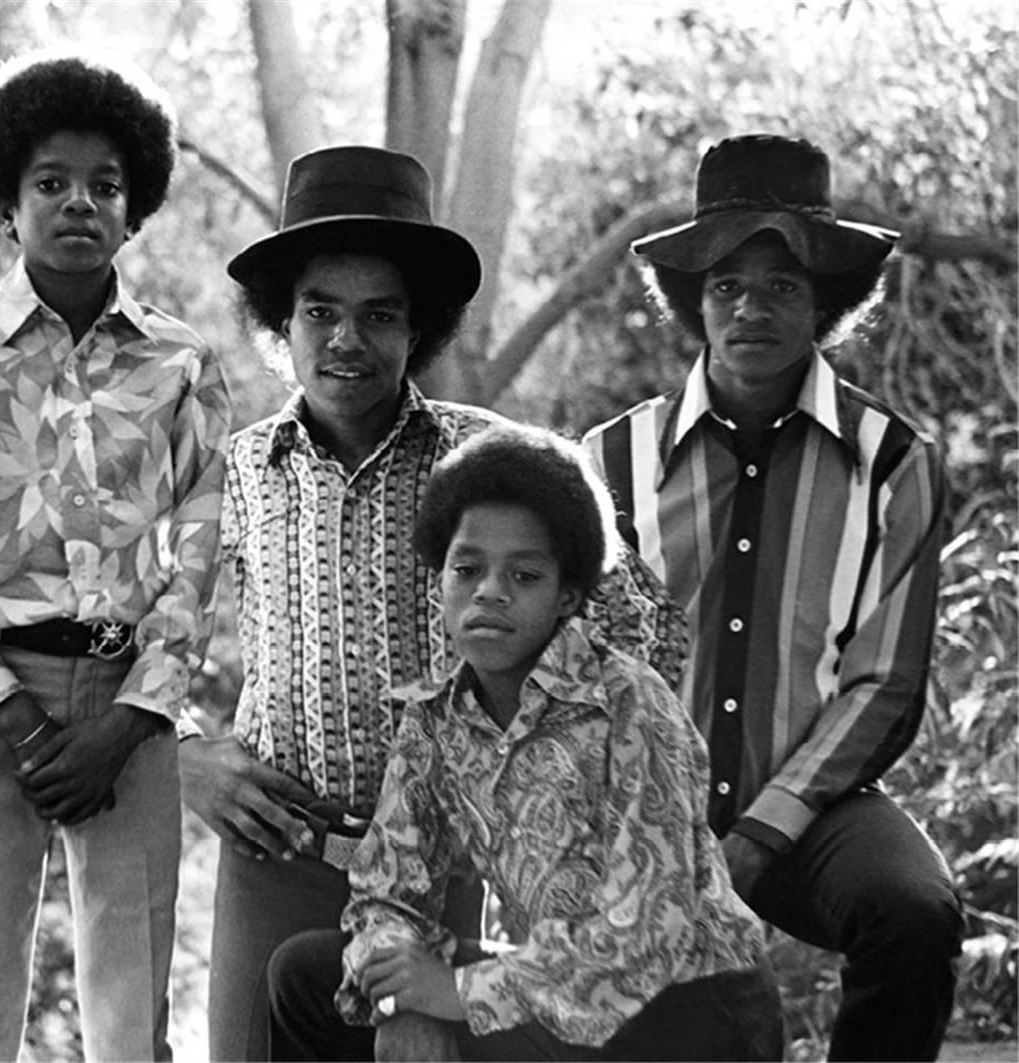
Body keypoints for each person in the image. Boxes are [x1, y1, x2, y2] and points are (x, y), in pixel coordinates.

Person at [181, 144, 688, 1062]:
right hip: (278, 848)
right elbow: (146, 622)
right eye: (320, 312)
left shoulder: (489, 457)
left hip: (443, 865)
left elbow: (635, 621)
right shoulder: (241, 468)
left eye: (380, 315)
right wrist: (187, 750)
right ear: (281, 323)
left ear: (419, 329)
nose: (346, 340)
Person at [582, 133, 962, 1061]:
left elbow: (887, 681)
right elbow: (580, 666)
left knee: (915, 911)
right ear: (694, 300)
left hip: (814, 809)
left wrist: (763, 824)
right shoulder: (610, 461)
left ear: (825, 302)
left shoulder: (896, 463)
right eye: (727, 285)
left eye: (783, 284)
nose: (752, 306)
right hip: (644, 807)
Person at [0, 49, 231, 1062]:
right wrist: (23, 725)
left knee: (133, 1014)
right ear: (5, 201)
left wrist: (131, 719)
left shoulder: (182, 364)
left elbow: (203, 553)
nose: (79, 202)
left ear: (137, 208)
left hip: (132, 704)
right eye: (51, 182)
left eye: (106, 185)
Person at [267, 423, 782, 1061]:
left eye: (524, 576)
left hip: (686, 1010)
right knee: (304, 974)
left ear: (568, 596)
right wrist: (400, 1001)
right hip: (549, 990)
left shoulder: (628, 702)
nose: (489, 591)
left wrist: (456, 996)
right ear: (441, 584)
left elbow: (646, 934)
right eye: (468, 569)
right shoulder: (435, 719)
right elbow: (385, 890)